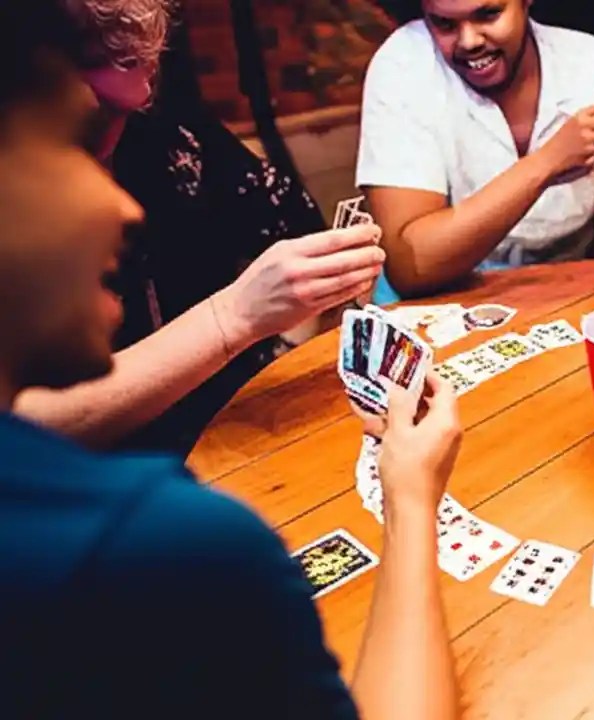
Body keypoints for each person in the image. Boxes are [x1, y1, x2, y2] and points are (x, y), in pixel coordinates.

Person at [0, 9, 460, 718]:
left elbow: (308, 245)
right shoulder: (179, 545)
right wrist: (411, 498)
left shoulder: (178, 139)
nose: (120, 205)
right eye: (74, 144)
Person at [13, 0, 386, 454]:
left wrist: (301, 314)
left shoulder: (166, 132)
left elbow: (296, 226)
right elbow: (21, 427)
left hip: (236, 441)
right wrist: (235, 317)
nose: (124, 210)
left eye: (137, 104)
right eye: (96, 117)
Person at [359, 0, 594, 302]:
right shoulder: (403, 66)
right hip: (436, 302)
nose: (469, 41)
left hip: (571, 289)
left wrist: (588, 296)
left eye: (488, 14)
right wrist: (547, 162)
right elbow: (411, 268)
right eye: (444, 24)